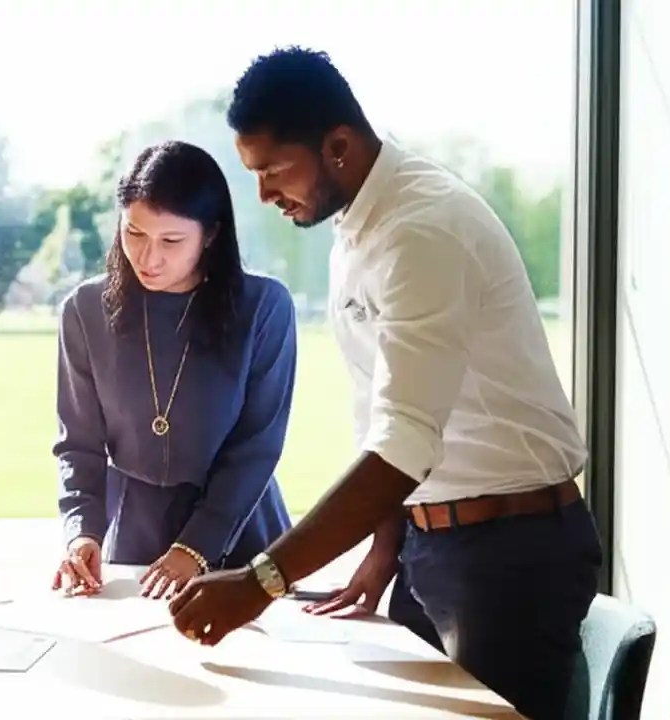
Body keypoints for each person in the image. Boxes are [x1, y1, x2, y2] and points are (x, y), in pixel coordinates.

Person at [168, 47, 601, 720]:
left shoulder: (421, 230)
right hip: (434, 542)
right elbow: (388, 413)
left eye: (272, 170)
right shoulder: (359, 227)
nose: (263, 194)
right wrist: (387, 547)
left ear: (338, 147)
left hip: (508, 554)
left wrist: (260, 582)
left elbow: (402, 444)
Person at [51, 140, 298, 601]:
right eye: (134, 233)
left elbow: (257, 445)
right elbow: (78, 444)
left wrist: (196, 546)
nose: (148, 258)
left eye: (170, 241)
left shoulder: (264, 307)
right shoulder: (85, 310)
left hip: (243, 531)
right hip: (135, 533)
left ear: (211, 234)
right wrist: (82, 531)